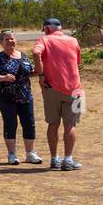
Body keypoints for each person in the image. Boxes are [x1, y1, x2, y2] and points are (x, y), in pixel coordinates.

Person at [32, 17, 84, 171]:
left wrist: (41, 75)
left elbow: (36, 53)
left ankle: (55, 159)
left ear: (47, 28)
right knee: (71, 125)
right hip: (75, 89)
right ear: (60, 28)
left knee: (53, 124)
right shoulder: (73, 41)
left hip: (51, 88)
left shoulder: (44, 40)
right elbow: (77, 61)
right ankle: (68, 160)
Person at [0, 29, 41, 165]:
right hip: (7, 98)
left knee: (29, 124)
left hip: (25, 97)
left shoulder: (23, 56)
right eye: (7, 39)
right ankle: (12, 155)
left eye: (12, 39)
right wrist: (2, 77)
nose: (10, 41)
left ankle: (30, 153)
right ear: (1, 42)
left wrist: (39, 71)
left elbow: (29, 72)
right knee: (11, 124)